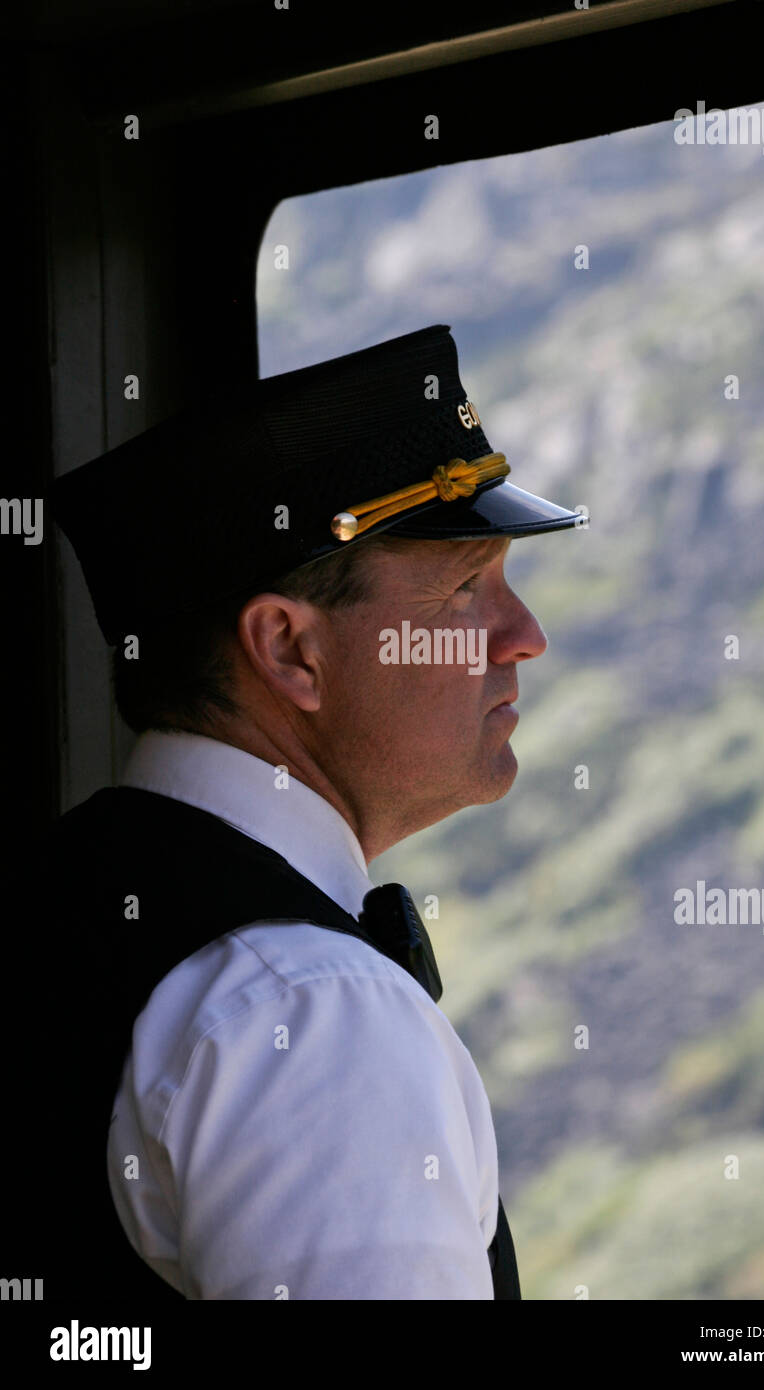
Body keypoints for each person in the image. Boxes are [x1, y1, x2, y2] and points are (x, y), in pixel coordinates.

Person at [43, 323, 589, 1301]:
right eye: (465, 588)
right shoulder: (313, 1009)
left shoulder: (70, 885)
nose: (524, 637)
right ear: (289, 649)